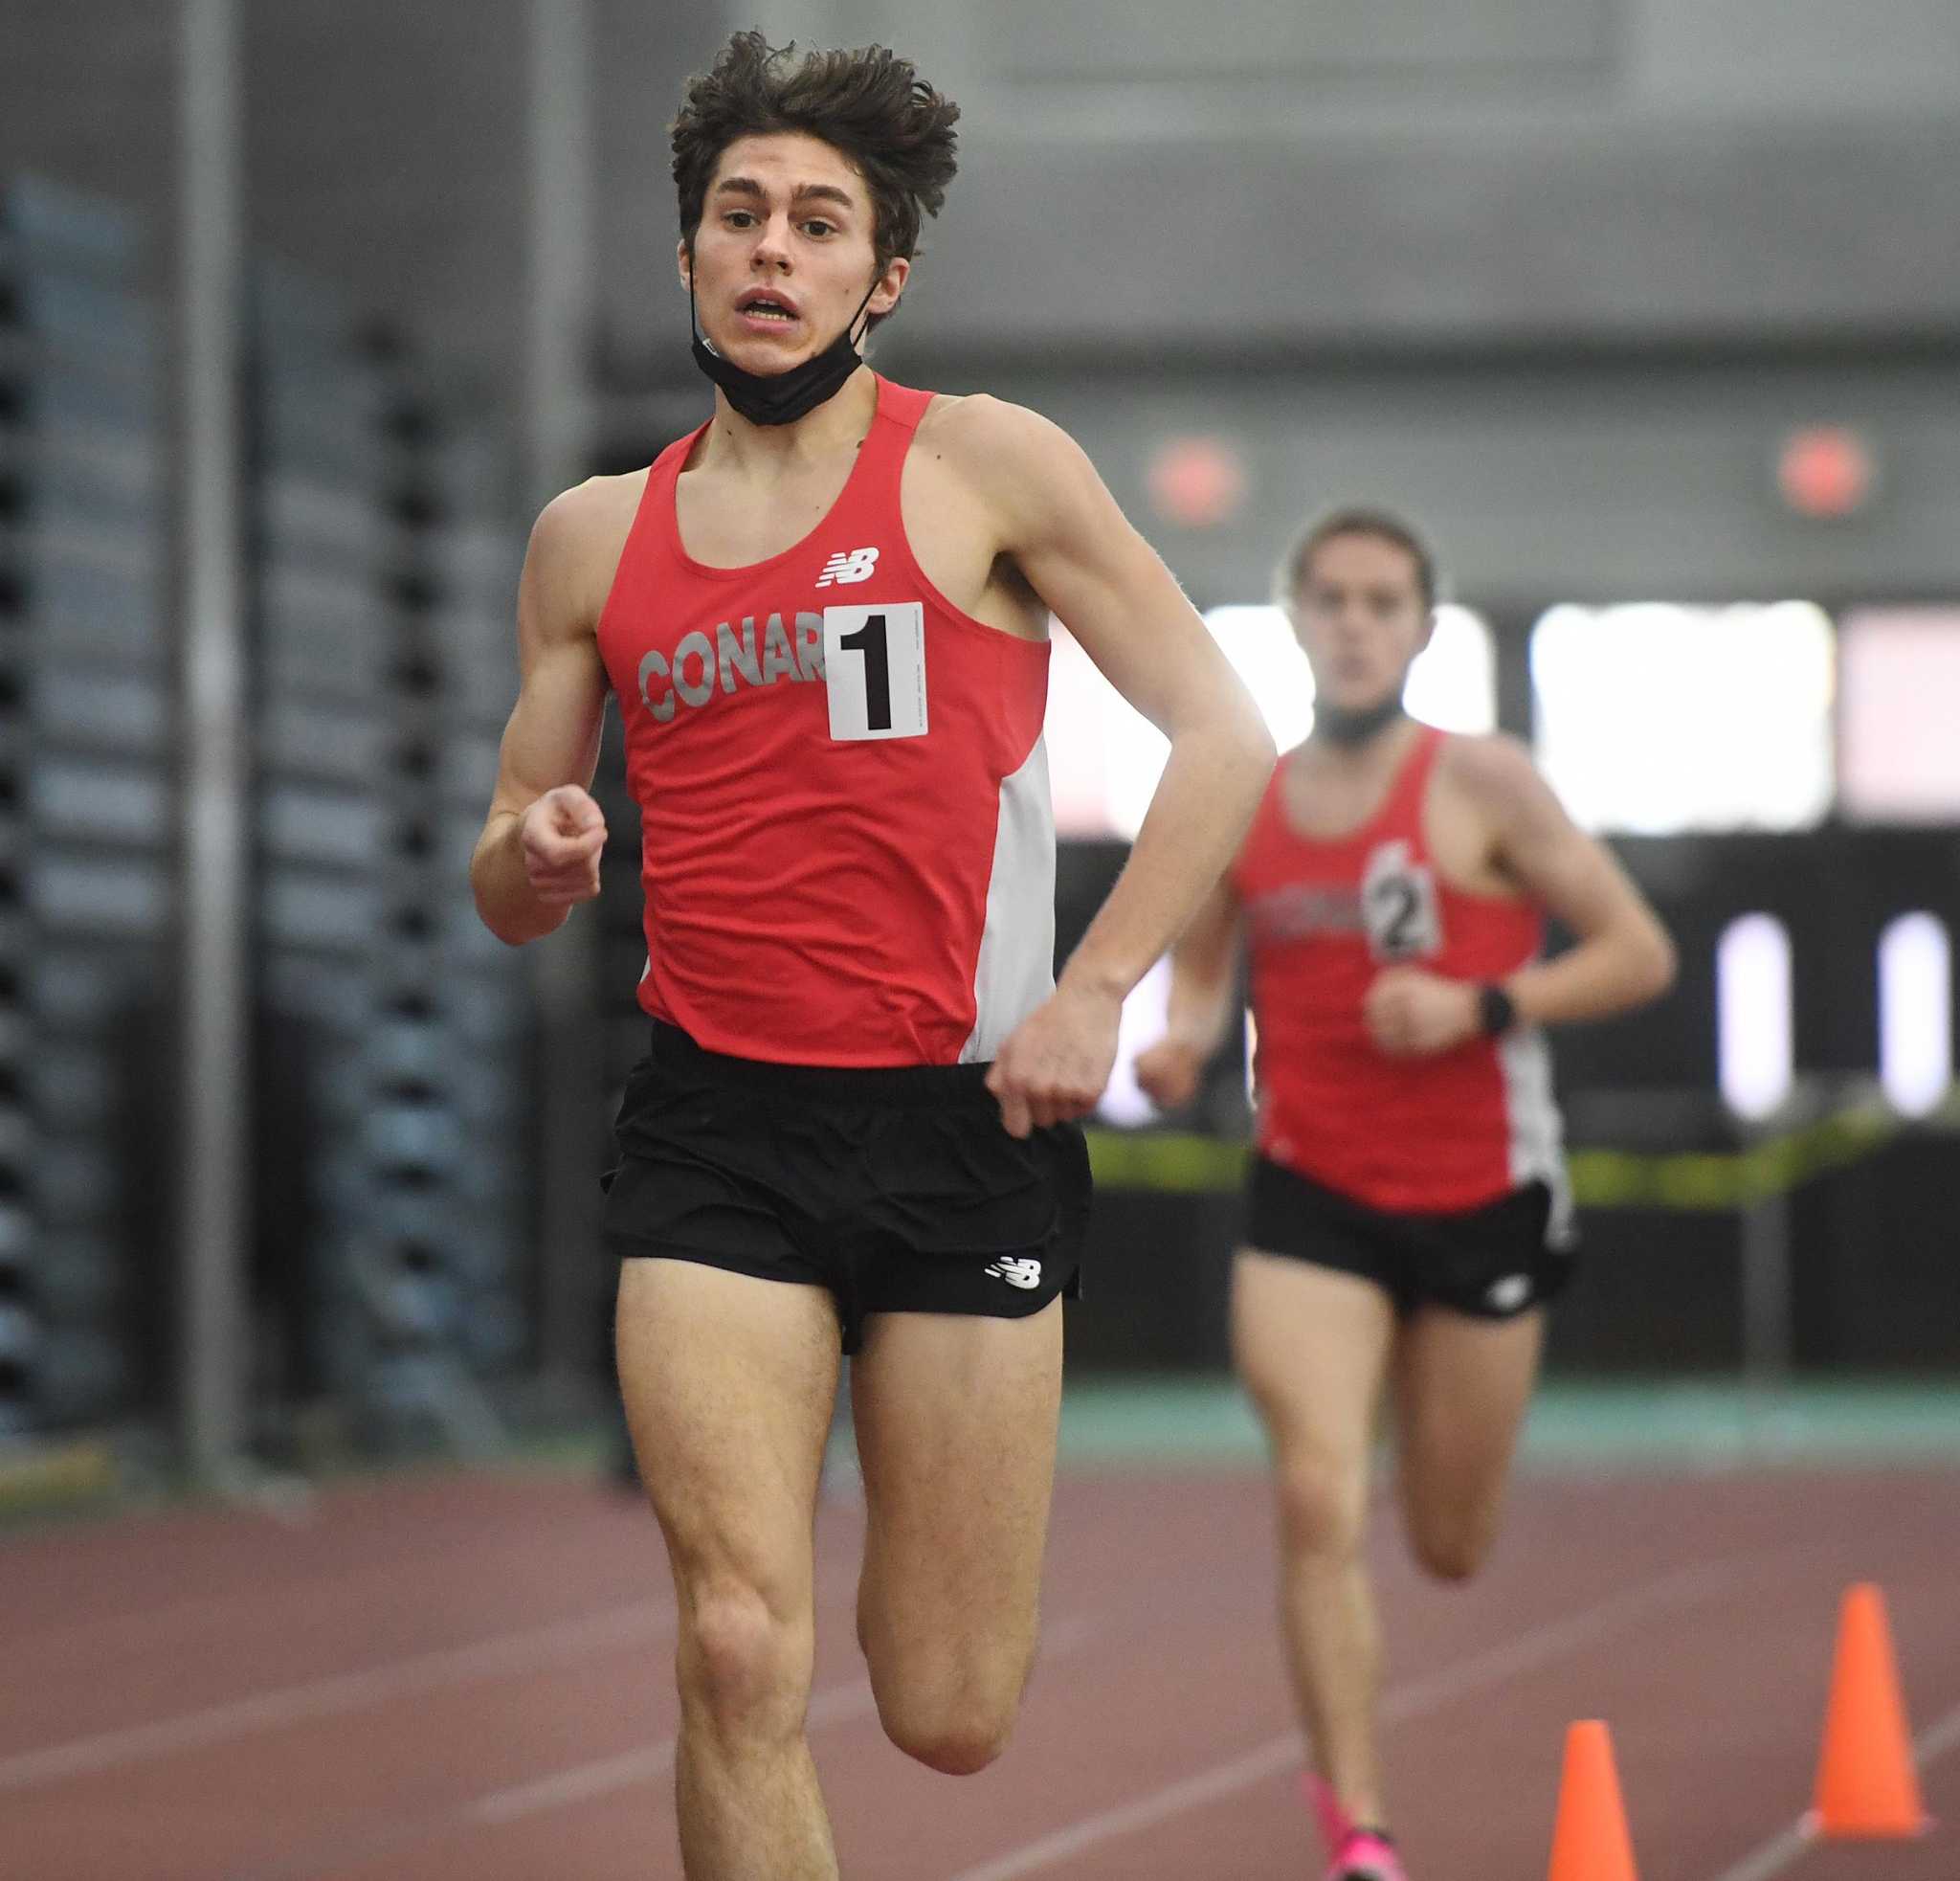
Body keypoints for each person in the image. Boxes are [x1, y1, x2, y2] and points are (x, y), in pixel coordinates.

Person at [470, 32, 1273, 1881]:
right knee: (737, 1643)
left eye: (815, 223)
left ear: (881, 274)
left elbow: (1226, 737)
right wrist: (538, 848)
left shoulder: (987, 468)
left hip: (962, 1123)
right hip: (716, 1132)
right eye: (736, 215)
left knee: (948, 1703)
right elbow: (506, 872)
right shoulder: (593, 540)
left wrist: (1093, 990)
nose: (770, 250)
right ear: (685, 253)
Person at [1135, 509, 1676, 1881]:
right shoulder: (1242, 788)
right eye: (1331, 599)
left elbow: (1637, 950)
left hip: (1483, 1193)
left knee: (1446, 1538)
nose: (1357, 623)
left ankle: (1424, 1490)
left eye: (1384, 601)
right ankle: (1360, 1832)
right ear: (1298, 620)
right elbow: (1202, 960)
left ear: (1424, 627)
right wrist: (1186, 1035)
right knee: (1317, 1496)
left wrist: (1485, 1001)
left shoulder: (1485, 782)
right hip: (1309, 1188)